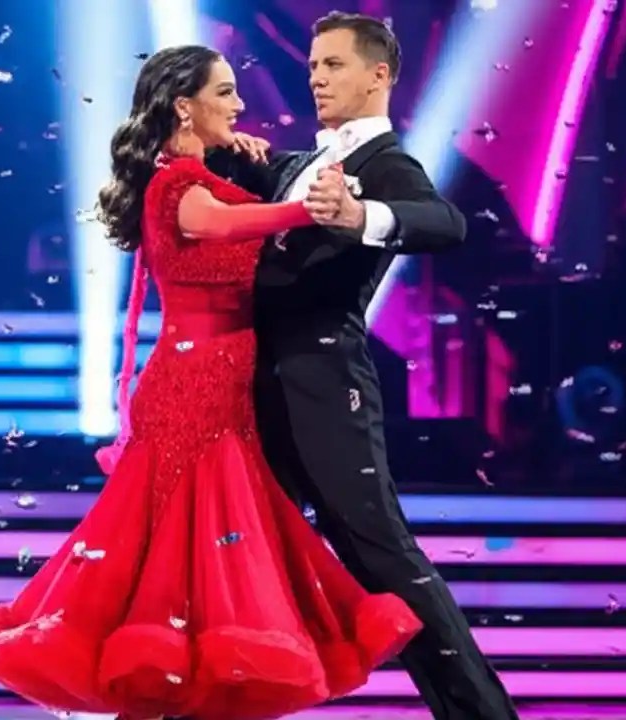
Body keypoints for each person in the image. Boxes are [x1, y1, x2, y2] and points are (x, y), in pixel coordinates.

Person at [0, 44, 422, 720]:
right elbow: (222, 222)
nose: (240, 106)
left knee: (208, 555)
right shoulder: (175, 186)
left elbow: (229, 196)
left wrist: (236, 149)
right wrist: (314, 209)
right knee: (175, 550)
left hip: (224, 384)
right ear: (185, 105)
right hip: (192, 387)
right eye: (226, 93)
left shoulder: (196, 169)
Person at [206, 11, 520, 720]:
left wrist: (360, 218)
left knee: (383, 558)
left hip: (325, 391)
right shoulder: (295, 163)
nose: (316, 77)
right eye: (313, 64)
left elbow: (444, 221)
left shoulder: (385, 165)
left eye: (334, 65)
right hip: (255, 392)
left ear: (380, 75)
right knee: (220, 545)